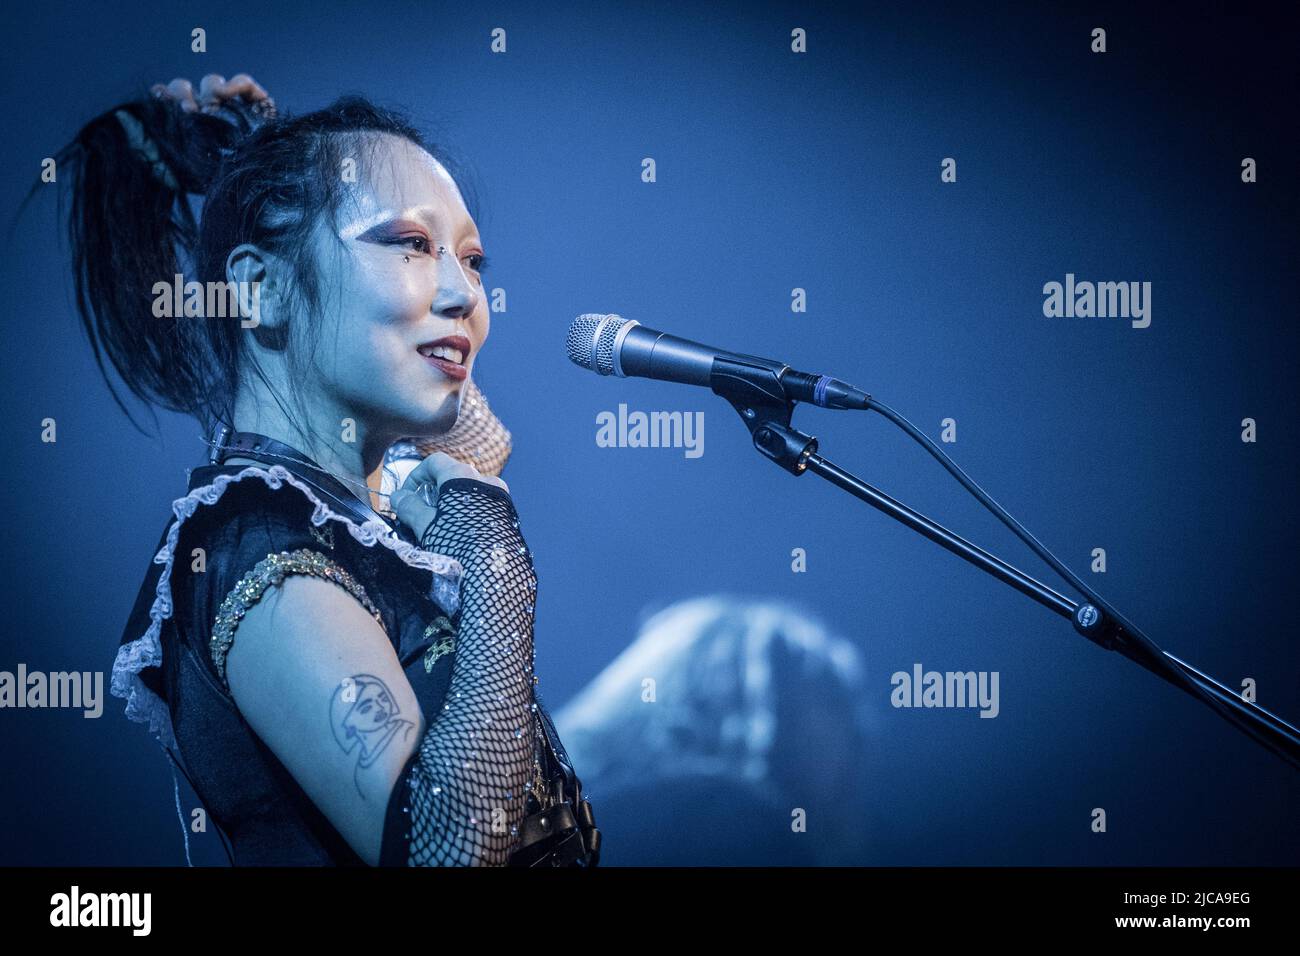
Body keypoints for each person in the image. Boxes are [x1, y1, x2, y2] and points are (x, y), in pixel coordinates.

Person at [58, 73, 597, 866]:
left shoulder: (348, 525)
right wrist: (493, 551)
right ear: (260, 287)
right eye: (410, 243)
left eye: (473, 259)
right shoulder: (259, 546)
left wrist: (268, 168)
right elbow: (446, 854)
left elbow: (471, 434)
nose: (466, 293)